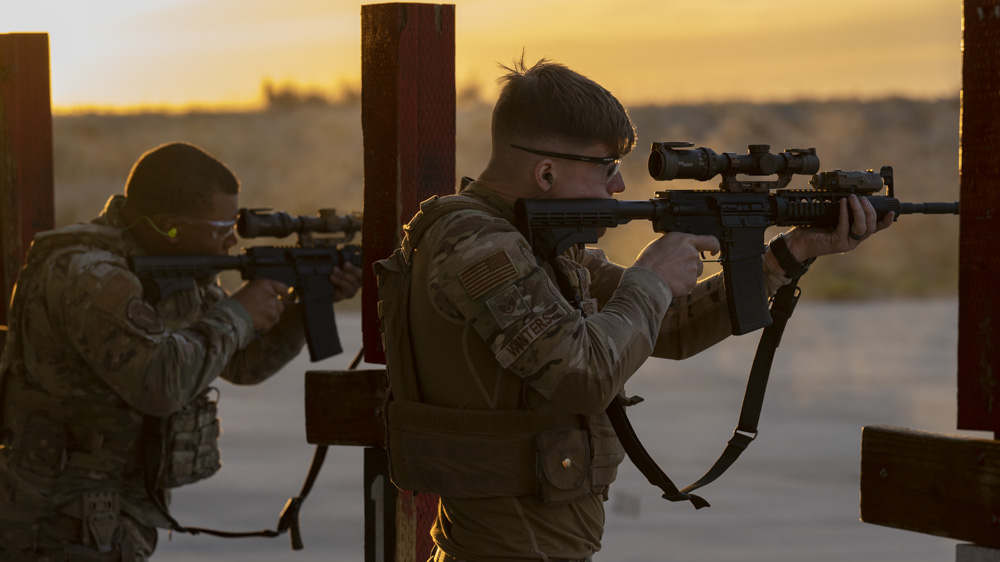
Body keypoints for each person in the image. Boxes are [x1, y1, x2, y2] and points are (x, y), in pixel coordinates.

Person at [374, 57, 894, 562]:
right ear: (547, 172)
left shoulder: (538, 246)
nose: (619, 186)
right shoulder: (475, 243)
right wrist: (649, 277)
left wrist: (792, 252)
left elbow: (667, 327)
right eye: (607, 167)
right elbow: (582, 374)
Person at [0, 142, 363, 561]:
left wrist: (303, 307)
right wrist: (238, 313)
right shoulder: (89, 274)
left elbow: (240, 363)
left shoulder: (175, 265)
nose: (230, 241)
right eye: (219, 228)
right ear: (168, 225)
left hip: (108, 518)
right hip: (54, 522)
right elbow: (161, 382)